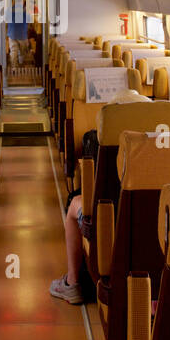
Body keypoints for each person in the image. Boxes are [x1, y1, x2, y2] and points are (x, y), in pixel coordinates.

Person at [50, 89, 149, 305]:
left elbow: (98, 189)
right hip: (157, 217)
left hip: (109, 212)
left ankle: (73, 282)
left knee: (75, 203)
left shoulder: (99, 142)